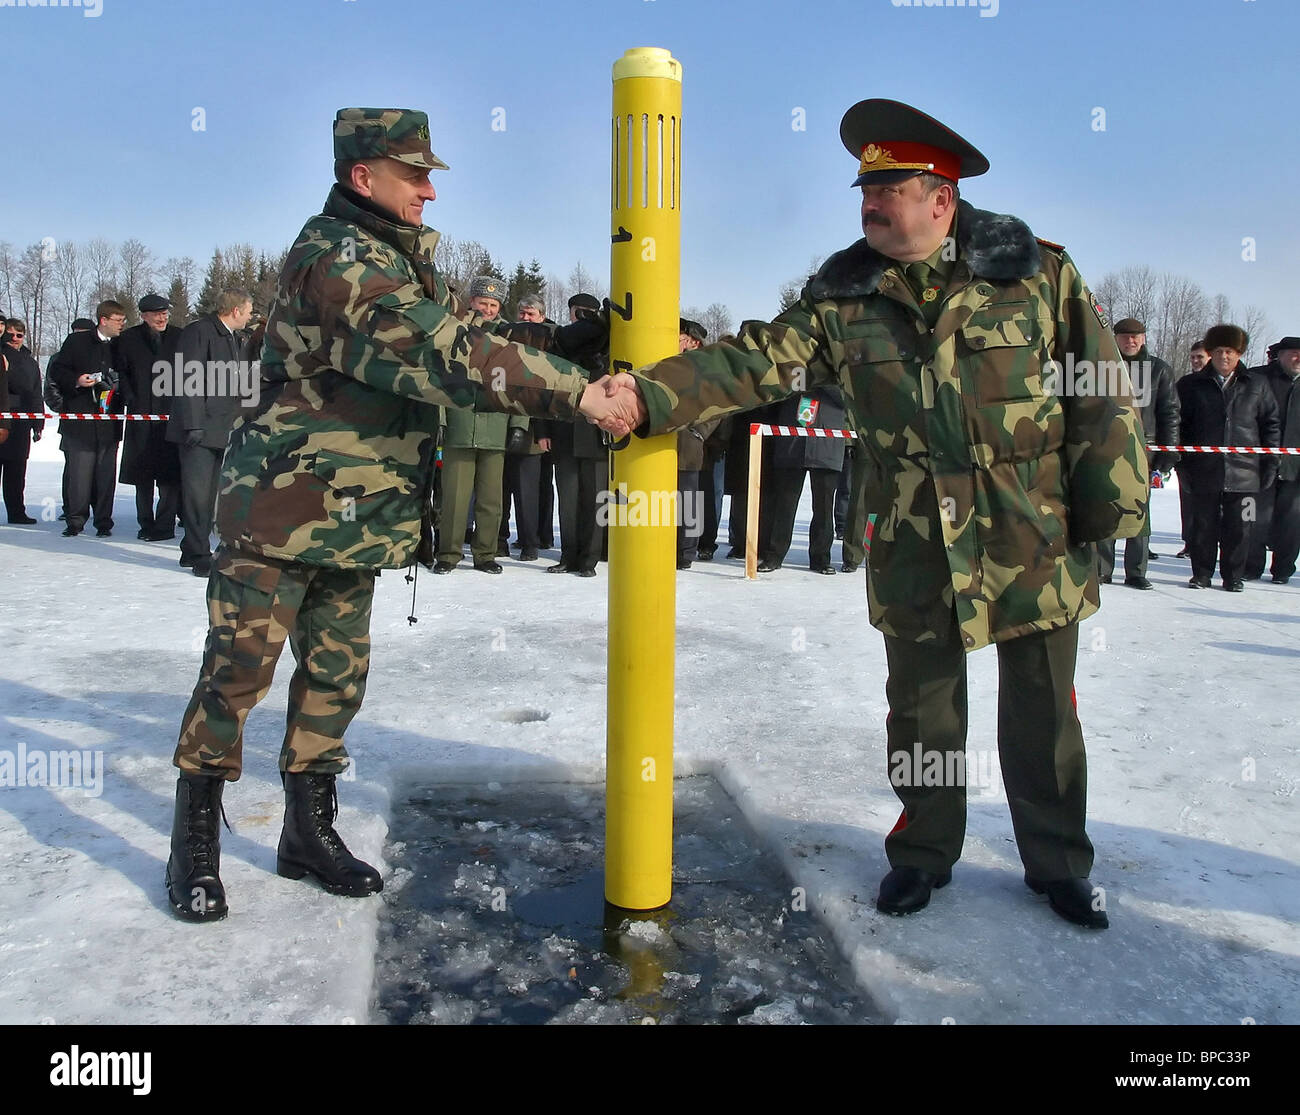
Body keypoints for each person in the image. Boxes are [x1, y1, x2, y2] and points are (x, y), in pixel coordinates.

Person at [595, 98, 1148, 929]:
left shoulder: (1037, 273)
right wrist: (652, 391)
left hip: (1032, 531)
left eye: (890, 186)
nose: (869, 200)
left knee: (1042, 710)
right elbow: (755, 361)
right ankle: (925, 852)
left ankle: (1059, 861)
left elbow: (1100, 389)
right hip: (916, 533)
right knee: (922, 710)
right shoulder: (842, 294)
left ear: (942, 199)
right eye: (865, 185)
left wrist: (1110, 505)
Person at [167, 107, 630, 922]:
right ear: (363, 177)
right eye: (415, 175)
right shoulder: (338, 260)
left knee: (335, 678)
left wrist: (582, 344)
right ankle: (194, 842)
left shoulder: (396, 260)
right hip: (282, 510)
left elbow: (460, 336)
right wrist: (575, 392)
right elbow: (442, 354)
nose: (428, 192)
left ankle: (306, 832)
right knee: (237, 675)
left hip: (356, 513)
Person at [1176, 325, 1279, 591]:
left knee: (1242, 527)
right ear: (1210, 353)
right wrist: (1181, 464)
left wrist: (1270, 463)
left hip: (1245, 473)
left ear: (1239, 353)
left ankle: (1233, 576)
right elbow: (1179, 425)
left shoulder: (1257, 384)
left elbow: (1271, 424)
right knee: (1203, 525)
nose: (1224, 357)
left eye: (1230, 351)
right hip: (1204, 471)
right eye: (1219, 351)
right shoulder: (1190, 385)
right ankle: (1201, 573)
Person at [167, 289, 254, 576]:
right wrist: (192, 424)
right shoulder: (199, 332)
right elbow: (186, 379)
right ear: (235, 311)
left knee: (210, 497)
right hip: (200, 430)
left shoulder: (233, 337)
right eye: (249, 310)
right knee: (196, 495)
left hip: (222, 429)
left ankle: (192, 549)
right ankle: (198, 553)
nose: (251, 316)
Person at [1095, 318, 1178, 589]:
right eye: (1125, 337)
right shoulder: (1101, 366)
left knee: (1140, 513)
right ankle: (1102, 569)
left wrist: (1167, 456)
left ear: (1143, 338)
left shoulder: (1158, 370)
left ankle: (1137, 572)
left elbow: (1170, 414)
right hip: (1107, 449)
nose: (1131, 341)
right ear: (1115, 338)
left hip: (1144, 452)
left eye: (1136, 336)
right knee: (1106, 508)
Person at [47, 300, 126, 537]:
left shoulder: (121, 345)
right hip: (80, 421)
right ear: (104, 320)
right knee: (79, 476)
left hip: (109, 421)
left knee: (105, 475)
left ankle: (104, 522)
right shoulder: (76, 342)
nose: (122, 325)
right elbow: (58, 372)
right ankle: (75, 521)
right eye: (118, 321)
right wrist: (77, 380)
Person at [115, 294, 183, 541]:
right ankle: (145, 523)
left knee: (170, 477)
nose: (162, 317)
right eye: (156, 314)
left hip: (171, 416)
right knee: (141, 475)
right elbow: (121, 373)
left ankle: (165, 526)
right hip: (140, 416)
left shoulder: (179, 336)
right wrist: (130, 399)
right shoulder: (128, 339)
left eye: (165, 312)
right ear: (144, 315)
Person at [1248, 337, 1300, 584]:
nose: (1298, 358)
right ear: (1280, 355)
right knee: (1254, 519)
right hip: (1259, 465)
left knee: (1291, 524)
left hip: (1296, 470)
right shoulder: (1257, 378)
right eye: (1293, 353)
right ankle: (1250, 566)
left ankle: (1283, 570)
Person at [1, 318, 44, 524]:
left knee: (17, 471)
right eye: (10, 334)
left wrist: (38, 422)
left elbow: (36, 393)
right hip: (3, 420)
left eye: (19, 335)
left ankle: (16, 512)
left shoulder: (30, 361)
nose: (15, 339)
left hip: (22, 423)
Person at [1174, 341, 1212, 557]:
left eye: (1201, 357)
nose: (1197, 361)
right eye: (1193, 357)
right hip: (1188, 455)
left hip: (1216, 456)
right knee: (1188, 504)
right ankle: (1190, 543)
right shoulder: (1185, 384)